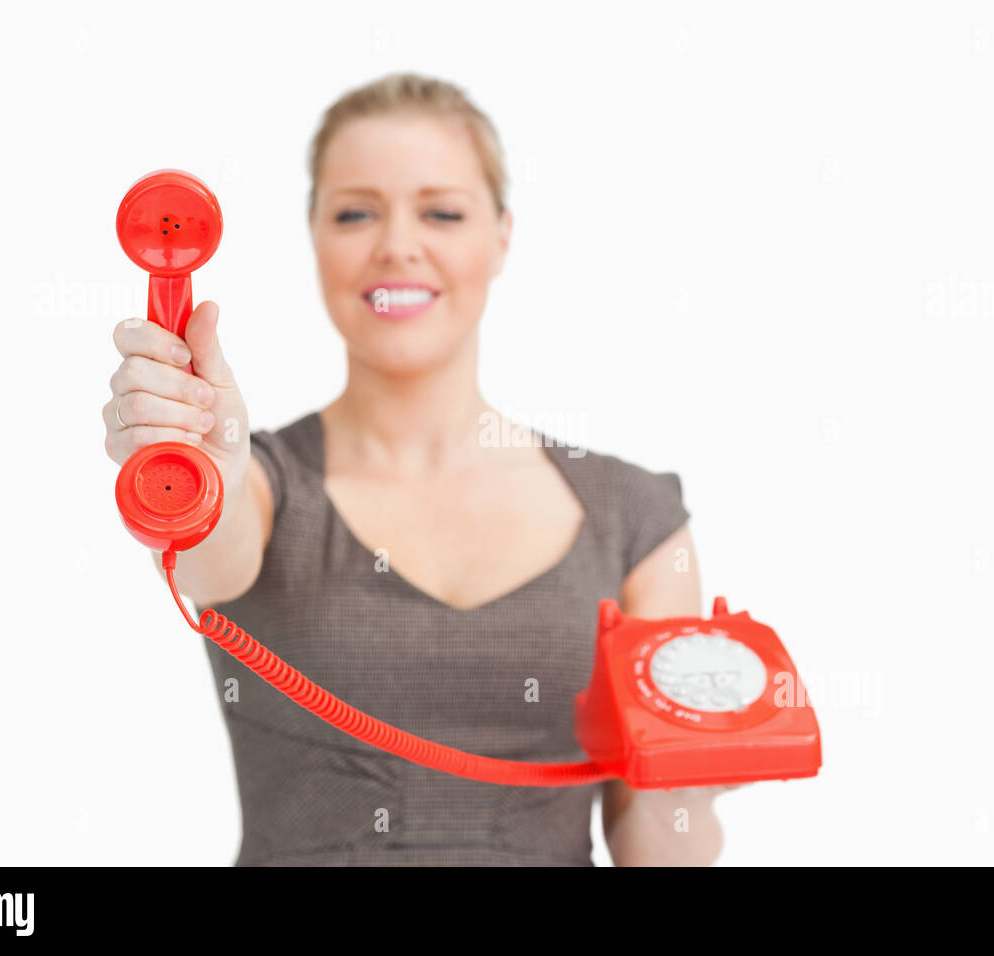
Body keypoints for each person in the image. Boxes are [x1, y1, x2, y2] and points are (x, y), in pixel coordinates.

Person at [103, 72, 733, 866]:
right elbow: (208, 557)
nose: (398, 244)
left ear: (502, 235)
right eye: (356, 212)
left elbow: (656, 849)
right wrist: (199, 471)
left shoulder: (637, 519)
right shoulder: (260, 484)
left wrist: (689, 780)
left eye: (442, 211)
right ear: (313, 234)